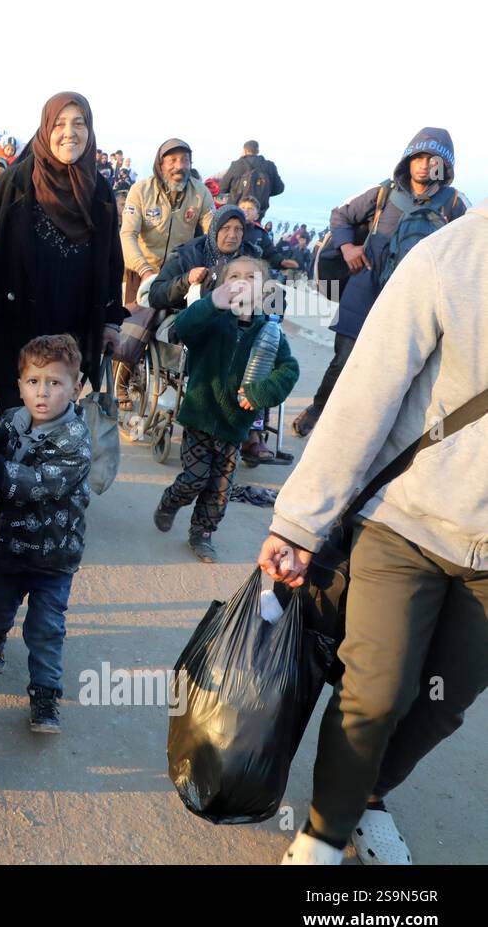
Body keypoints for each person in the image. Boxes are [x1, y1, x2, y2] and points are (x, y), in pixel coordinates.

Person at [262, 202, 488, 866]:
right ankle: (323, 835)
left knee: (443, 705)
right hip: (406, 519)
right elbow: (368, 389)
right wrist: (300, 521)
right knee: (378, 689)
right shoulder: (451, 258)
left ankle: (364, 796)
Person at [294, 128, 467, 438]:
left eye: (433, 159)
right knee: (344, 359)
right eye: (419, 157)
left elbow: (464, 252)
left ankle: (367, 432)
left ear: (445, 165)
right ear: (408, 161)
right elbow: (340, 216)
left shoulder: (454, 204)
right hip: (364, 290)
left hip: (412, 301)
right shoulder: (383, 193)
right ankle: (319, 408)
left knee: (396, 371)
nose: (425, 164)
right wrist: (348, 247)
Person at [0, 92, 125, 412]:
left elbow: (111, 262)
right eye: (60, 124)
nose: (70, 132)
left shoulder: (100, 191)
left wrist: (111, 321)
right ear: (45, 128)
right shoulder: (14, 183)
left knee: (57, 426)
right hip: (16, 330)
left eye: (79, 123)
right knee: (16, 427)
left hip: (72, 336)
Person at [0, 334, 91, 732]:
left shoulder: (75, 440)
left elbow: (38, 484)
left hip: (54, 557)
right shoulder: (11, 420)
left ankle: (45, 697)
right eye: (33, 381)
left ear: (75, 389)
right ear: (20, 383)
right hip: (9, 546)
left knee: (45, 629)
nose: (42, 392)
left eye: (55, 383)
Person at [153, 257, 298, 562]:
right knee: (193, 480)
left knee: (220, 491)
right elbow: (181, 329)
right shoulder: (211, 320)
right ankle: (171, 501)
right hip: (200, 416)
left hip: (235, 427)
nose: (242, 281)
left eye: (251, 277)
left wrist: (261, 392)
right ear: (222, 284)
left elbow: (288, 371)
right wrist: (211, 303)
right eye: (234, 276)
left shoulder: (270, 333)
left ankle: (201, 534)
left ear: (265, 290)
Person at [120, 138, 215, 307]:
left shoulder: (201, 192)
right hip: (140, 271)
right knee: (131, 328)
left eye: (185, 160)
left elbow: (213, 235)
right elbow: (127, 234)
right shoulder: (141, 190)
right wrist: (145, 270)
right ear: (160, 164)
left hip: (178, 275)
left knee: (168, 330)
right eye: (172, 160)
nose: (179, 166)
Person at [147, 204, 248, 311]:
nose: (232, 235)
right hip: (186, 319)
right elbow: (154, 296)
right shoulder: (187, 255)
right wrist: (186, 280)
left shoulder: (252, 257)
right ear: (215, 230)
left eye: (238, 229)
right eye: (226, 228)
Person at [218, 140, 284, 213]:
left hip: (235, 209)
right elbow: (279, 188)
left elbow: (222, 187)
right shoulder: (270, 166)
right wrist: (264, 192)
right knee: (255, 223)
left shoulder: (237, 164)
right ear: (257, 151)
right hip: (258, 210)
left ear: (244, 150)